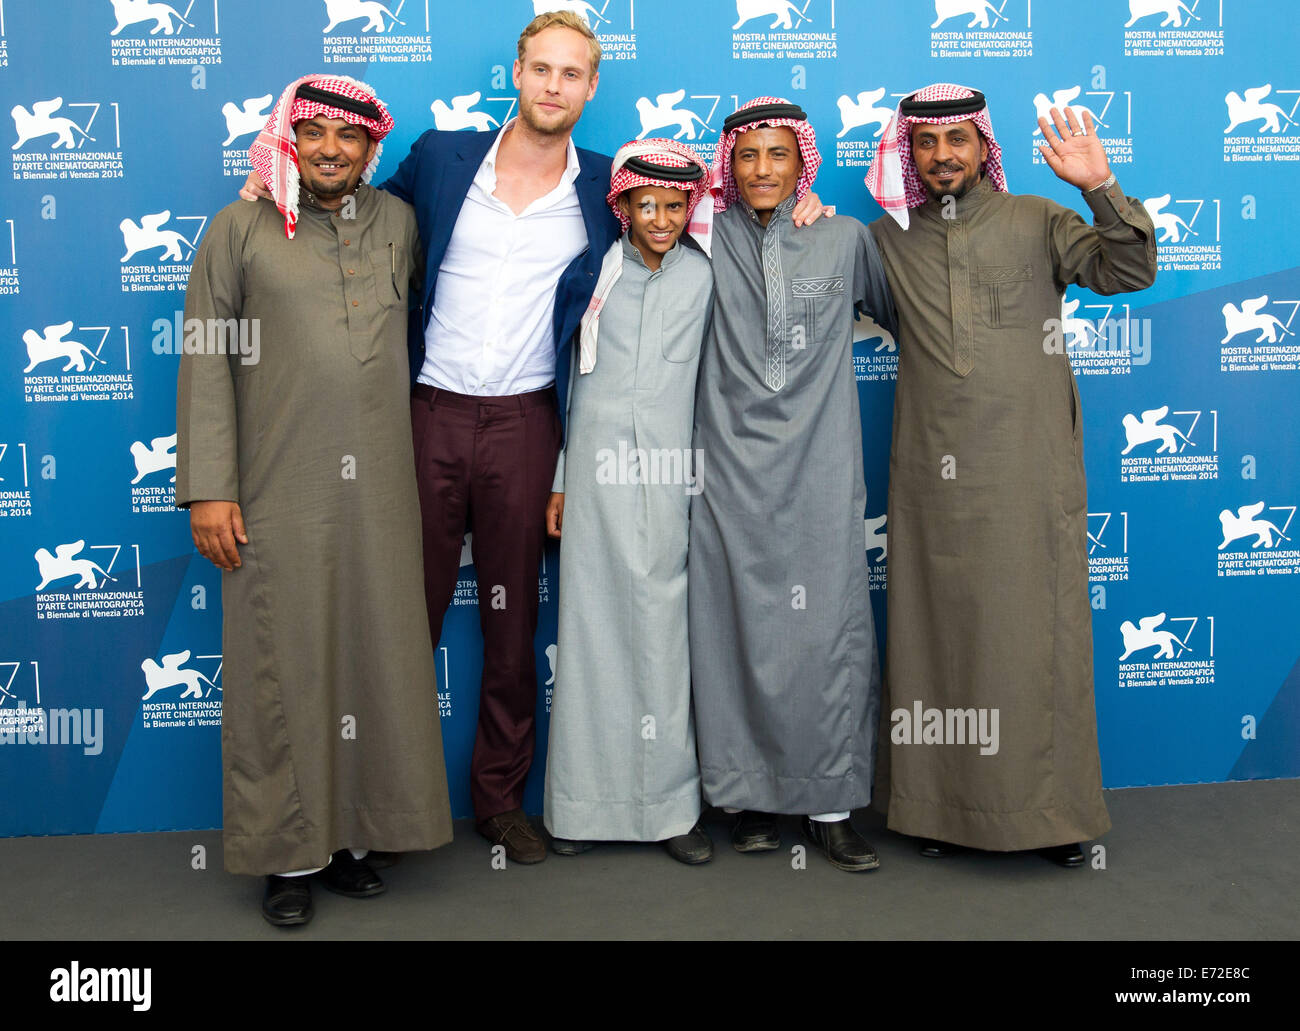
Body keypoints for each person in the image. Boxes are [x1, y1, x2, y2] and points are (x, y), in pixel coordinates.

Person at [176, 74, 453, 927]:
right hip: (275, 486)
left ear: (373, 148)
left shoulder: (400, 224)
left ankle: (357, 839)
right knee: (283, 663)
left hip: (380, 487)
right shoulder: (237, 229)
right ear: (288, 139)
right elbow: (204, 362)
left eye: (350, 136)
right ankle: (287, 853)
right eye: (315, 133)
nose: (332, 148)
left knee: (375, 651)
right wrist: (211, 488)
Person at [864, 83, 1157, 866]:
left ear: (982, 145)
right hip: (932, 476)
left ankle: (1054, 815)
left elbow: (1128, 271)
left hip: (1030, 472)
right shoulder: (887, 240)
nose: (941, 156)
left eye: (956, 140)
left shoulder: (1037, 219)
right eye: (925, 143)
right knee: (937, 635)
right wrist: (809, 225)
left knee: (1036, 639)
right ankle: (934, 804)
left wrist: (1099, 186)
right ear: (908, 153)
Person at [689, 97, 897, 872]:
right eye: (747, 155)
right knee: (733, 629)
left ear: (802, 159)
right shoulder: (701, 233)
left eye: (779, 155)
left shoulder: (842, 238)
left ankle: (831, 804)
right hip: (727, 474)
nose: (763, 170)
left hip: (821, 469)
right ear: (728, 164)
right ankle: (744, 798)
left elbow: (912, 311)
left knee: (828, 633)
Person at [543, 139, 714, 864]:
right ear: (623, 205)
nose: (662, 218)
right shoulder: (591, 274)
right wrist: (556, 477)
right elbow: (562, 385)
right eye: (648, 204)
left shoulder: (708, 277)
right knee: (588, 632)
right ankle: (580, 811)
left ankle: (671, 812)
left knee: (664, 636)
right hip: (591, 479)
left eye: (676, 206)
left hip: (676, 478)